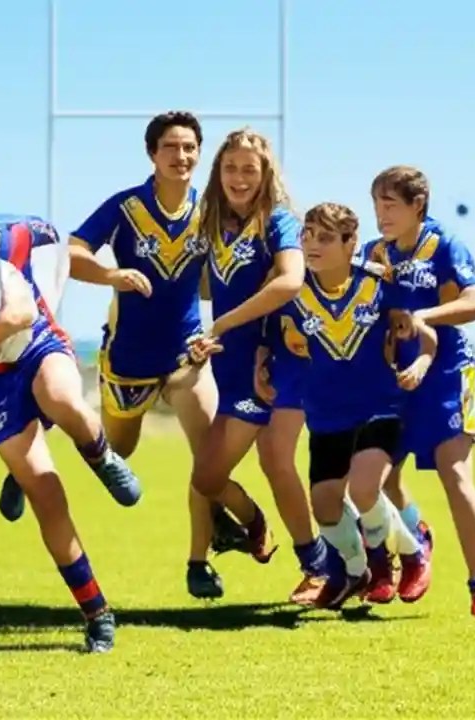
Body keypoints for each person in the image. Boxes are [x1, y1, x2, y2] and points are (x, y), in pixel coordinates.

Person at [0, 142, 141, 653]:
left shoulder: (25, 231)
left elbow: (68, 252)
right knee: (47, 494)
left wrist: (106, 275)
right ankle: (97, 612)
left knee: (60, 392)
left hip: (41, 344)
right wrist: (1, 325)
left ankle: (102, 457)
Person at [61, 111, 275, 600]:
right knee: (118, 453)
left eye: (190, 148)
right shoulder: (125, 207)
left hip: (188, 356)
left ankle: (205, 557)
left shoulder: (213, 210)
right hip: (126, 363)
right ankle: (27, 464)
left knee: (207, 465)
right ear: (152, 154)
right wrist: (111, 276)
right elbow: (70, 253)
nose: (181, 157)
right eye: (170, 148)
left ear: (201, 154)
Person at [186, 128, 331, 606]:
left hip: (277, 362)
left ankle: (318, 566)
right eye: (231, 168)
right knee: (206, 480)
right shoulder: (210, 223)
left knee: (275, 459)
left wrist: (224, 321)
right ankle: (253, 521)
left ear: (266, 173)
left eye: (250, 169)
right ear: (218, 173)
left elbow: (291, 280)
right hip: (230, 366)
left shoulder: (280, 222)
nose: (239, 177)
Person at [362, 166, 475, 619]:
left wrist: (424, 315)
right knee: (380, 477)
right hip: (394, 380)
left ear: (417, 206)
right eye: (377, 204)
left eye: (391, 205)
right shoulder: (375, 254)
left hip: (448, 375)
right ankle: (415, 536)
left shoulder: (444, 244)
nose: (382, 214)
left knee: (456, 474)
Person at [270, 202, 433, 610]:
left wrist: (420, 361)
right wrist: (261, 361)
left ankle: (404, 558)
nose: (312, 244)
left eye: (325, 237)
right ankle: (356, 569)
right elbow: (275, 340)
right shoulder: (291, 290)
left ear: (350, 244)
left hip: (380, 406)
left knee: (364, 487)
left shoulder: (379, 286)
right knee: (324, 506)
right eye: (307, 235)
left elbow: (420, 327)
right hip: (325, 413)